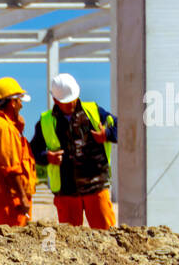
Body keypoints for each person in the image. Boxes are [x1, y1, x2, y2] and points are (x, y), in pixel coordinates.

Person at [31, 73, 118, 230]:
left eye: (73, 99)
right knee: (68, 239)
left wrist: (107, 134)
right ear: (55, 100)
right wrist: (47, 157)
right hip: (66, 191)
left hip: (96, 186)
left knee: (107, 236)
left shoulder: (94, 112)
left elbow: (122, 127)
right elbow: (33, 151)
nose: (71, 104)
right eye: (67, 102)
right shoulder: (46, 122)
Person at [0, 76, 36, 226]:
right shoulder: (4, 128)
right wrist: (22, 197)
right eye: (19, 100)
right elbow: (11, 168)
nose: (21, 105)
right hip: (10, 195)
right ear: (12, 102)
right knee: (15, 235)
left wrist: (17, 125)